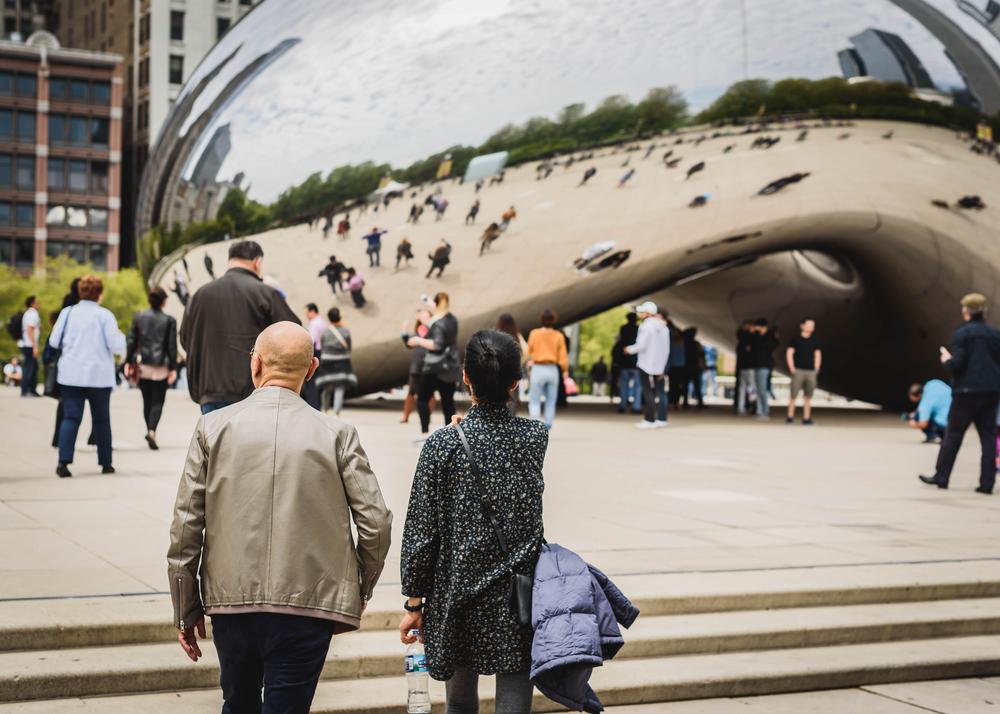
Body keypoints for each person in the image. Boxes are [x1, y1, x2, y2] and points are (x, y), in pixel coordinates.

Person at [167, 322, 392, 713]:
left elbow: (186, 524)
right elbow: (376, 522)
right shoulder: (337, 433)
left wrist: (185, 605)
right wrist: (360, 587)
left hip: (231, 602)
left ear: (255, 364)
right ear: (312, 369)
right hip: (308, 606)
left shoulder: (212, 427)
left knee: (237, 703)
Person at [399, 329, 545, 713]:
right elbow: (504, 434)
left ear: (465, 376)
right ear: (516, 381)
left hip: (457, 593)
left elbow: (421, 531)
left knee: (459, 705)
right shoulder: (534, 437)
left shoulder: (443, 443)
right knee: (515, 701)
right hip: (519, 597)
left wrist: (414, 602)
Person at [179, 240, 300, 415]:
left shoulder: (199, 295)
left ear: (230, 261)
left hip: (209, 392)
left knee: (216, 442)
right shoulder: (266, 294)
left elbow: (185, 340)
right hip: (254, 392)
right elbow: (294, 336)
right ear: (257, 262)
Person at [920, 293, 1000, 493]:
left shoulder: (963, 334)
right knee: (988, 437)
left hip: (965, 393)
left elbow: (957, 365)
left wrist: (946, 359)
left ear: (966, 311)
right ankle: (986, 484)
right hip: (990, 392)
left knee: (953, 435)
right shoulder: (994, 334)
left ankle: (942, 477)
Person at [48, 275, 127, 478]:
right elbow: (116, 345)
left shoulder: (67, 313)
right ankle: (106, 463)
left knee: (71, 417)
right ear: (99, 293)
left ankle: (63, 462)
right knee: (101, 420)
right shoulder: (105, 315)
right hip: (98, 376)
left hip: (71, 375)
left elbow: (54, 341)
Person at [125, 288, 178, 451]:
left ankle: (149, 428)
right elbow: (171, 346)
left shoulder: (139, 317)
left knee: (146, 401)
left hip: (142, 366)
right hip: (161, 367)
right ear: (163, 301)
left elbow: (132, 341)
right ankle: (152, 430)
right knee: (158, 401)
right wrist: (173, 368)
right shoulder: (169, 320)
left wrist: (127, 361)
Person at [407, 292, 459, 438]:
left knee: (422, 398)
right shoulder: (452, 320)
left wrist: (418, 340)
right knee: (448, 402)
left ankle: (425, 432)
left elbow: (437, 345)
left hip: (434, 368)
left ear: (436, 304)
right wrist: (430, 302)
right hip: (449, 367)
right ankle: (452, 434)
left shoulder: (438, 322)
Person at [626, 302, 670, 429]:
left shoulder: (645, 327)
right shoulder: (664, 328)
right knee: (660, 391)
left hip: (645, 363)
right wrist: (663, 365)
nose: (639, 314)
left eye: (642, 312)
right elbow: (666, 349)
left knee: (647, 391)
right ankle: (661, 418)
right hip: (660, 364)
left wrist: (628, 349)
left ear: (648, 313)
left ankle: (649, 419)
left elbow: (641, 345)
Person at [527, 308, 568, 430]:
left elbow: (529, 351)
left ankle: (535, 423)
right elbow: (563, 356)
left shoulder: (534, 333)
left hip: (538, 368)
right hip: (552, 369)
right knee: (551, 399)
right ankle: (548, 424)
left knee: (534, 398)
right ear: (554, 320)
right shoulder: (559, 336)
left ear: (541, 320)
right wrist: (565, 370)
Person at [312, 307, 357, 415]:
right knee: (340, 386)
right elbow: (349, 347)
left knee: (326, 385)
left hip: (327, 360)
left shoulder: (325, 332)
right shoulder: (346, 331)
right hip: (342, 360)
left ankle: (325, 409)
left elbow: (322, 345)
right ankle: (337, 411)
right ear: (339, 317)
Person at [401, 307, 436, 424]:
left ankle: (427, 416)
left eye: (426, 316)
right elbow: (408, 344)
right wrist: (404, 331)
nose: (423, 318)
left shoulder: (434, 329)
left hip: (430, 364)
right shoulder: (419, 330)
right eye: (422, 316)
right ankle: (405, 416)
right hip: (417, 363)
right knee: (411, 391)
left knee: (430, 393)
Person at [786, 318, 821, 425]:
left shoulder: (815, 340)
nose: (811, 327)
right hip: (799, 370)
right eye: (809, 325)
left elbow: (817, 354)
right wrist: (792, 367)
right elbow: (789, 353)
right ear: (802, 326)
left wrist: (816, 367)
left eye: (813, 325)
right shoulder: (795, 340)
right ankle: (790, 417)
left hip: (811, 371)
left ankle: (806, 418)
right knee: (793, 394)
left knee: (808, 395)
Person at [495, 312, 530, 414]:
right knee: (512, 400)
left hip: (497, 373)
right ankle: (509, 423)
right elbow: (527, 352)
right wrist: (520, 363)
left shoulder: (495, 335)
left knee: (497, 400)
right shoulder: (516, 336)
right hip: (513, 373)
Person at [614, 313, 643, 414]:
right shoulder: (639, 329)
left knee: (624, 385)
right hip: (636, 362)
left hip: (624, 362)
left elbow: (620, 345)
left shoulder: (623, 329)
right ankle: (636, 406)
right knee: (638, 386)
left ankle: (622, 405)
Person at [750, 319, 778, 418]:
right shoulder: (756, 336)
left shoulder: (769, 337)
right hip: (757, 365)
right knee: (758, 389)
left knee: (762, 389)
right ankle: (760, 410)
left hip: (765, 365)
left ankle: (764, 411)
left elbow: (772, 345)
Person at [17, 295, 41, 397]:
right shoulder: (32, 313)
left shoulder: (29, 313)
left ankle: (32, 389)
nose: (39, 304)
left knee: (33, 367)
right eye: (37, 302)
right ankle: (26, 390)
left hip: (28, 344)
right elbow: (30, 329)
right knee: (29, 367)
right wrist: (34, 346)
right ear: (32, 303)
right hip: (29, 344)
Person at [735, 320, 756, 415]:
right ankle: (754, 406)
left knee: (742, 389)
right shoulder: (750, 339)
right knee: (752, 388)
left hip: (742, 367)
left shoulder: (740, 342)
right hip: (750, 367)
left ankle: (741, 407)